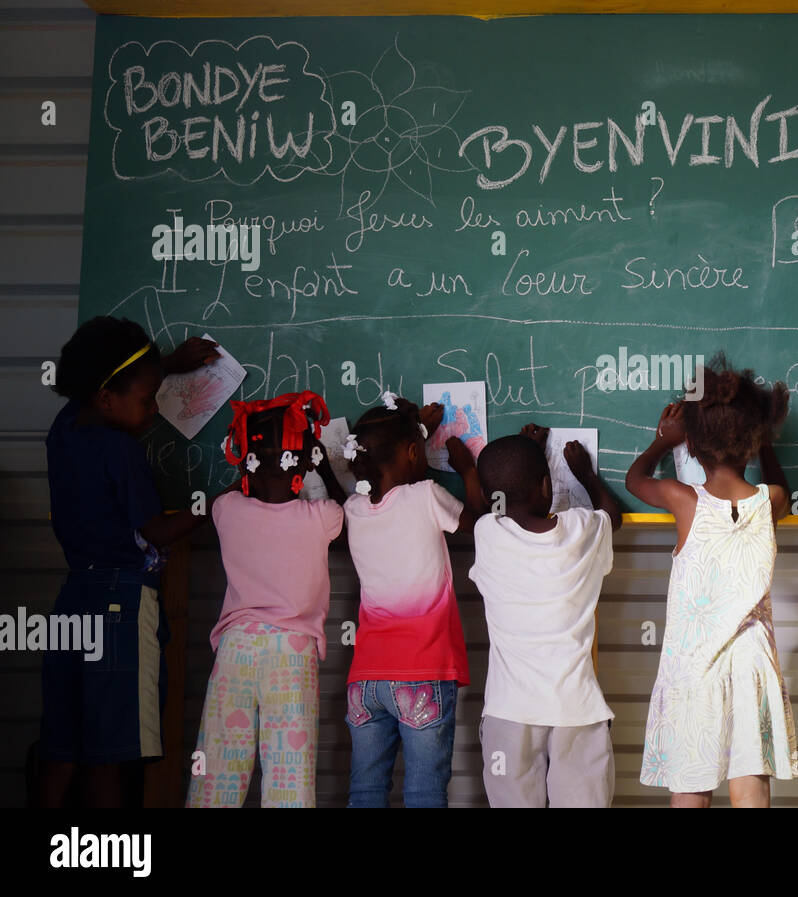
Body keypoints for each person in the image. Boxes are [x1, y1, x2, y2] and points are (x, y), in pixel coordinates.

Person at [40, 316, 218, 807]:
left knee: (63, 748)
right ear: (106, 398)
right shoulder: (121, 450)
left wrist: (167, 366)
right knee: (112, 755)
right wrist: (214, 504)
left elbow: (112, 386)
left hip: (73, 599)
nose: (152, 410)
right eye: (148, 401)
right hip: (122, 605)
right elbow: (156, 531)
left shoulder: (65, 427)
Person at [627, 356, 798, 808]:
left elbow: (635, 479)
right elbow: (779, 484)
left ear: (692, 445)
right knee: (750, 784)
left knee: (691, 786)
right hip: (752, 664)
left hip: (694, 668)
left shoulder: (684, 501)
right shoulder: (772, 501)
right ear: (753, 439)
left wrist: (662, 442)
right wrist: (765, 446)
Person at [186, 391, 346, 808]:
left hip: (236, 649)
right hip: (291, 653)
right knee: (289, 768)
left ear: (243, 458)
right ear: (305, 460)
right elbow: (343, 507)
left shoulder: (225, 510)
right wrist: (321, 464)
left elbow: (232, 491)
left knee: (218, 761)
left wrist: (248, 467)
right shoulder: (322, 517)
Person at [342, 394, 485, 807]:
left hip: (365, 680)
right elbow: (478, 526)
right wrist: (467, 470)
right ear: (410, 451)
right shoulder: (426, 495)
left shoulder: (352, 509)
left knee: (365, 791)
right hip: (422, 672)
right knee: (424, 793)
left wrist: (412, 426)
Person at [470, 425, 622, 807]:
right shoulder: (580, 529)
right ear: (545, 484)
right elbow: (611, 515)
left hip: (509, 714)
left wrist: (521, 457)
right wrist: (585, 475)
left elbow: (493, 504)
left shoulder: (487, 533)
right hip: (576, 710)